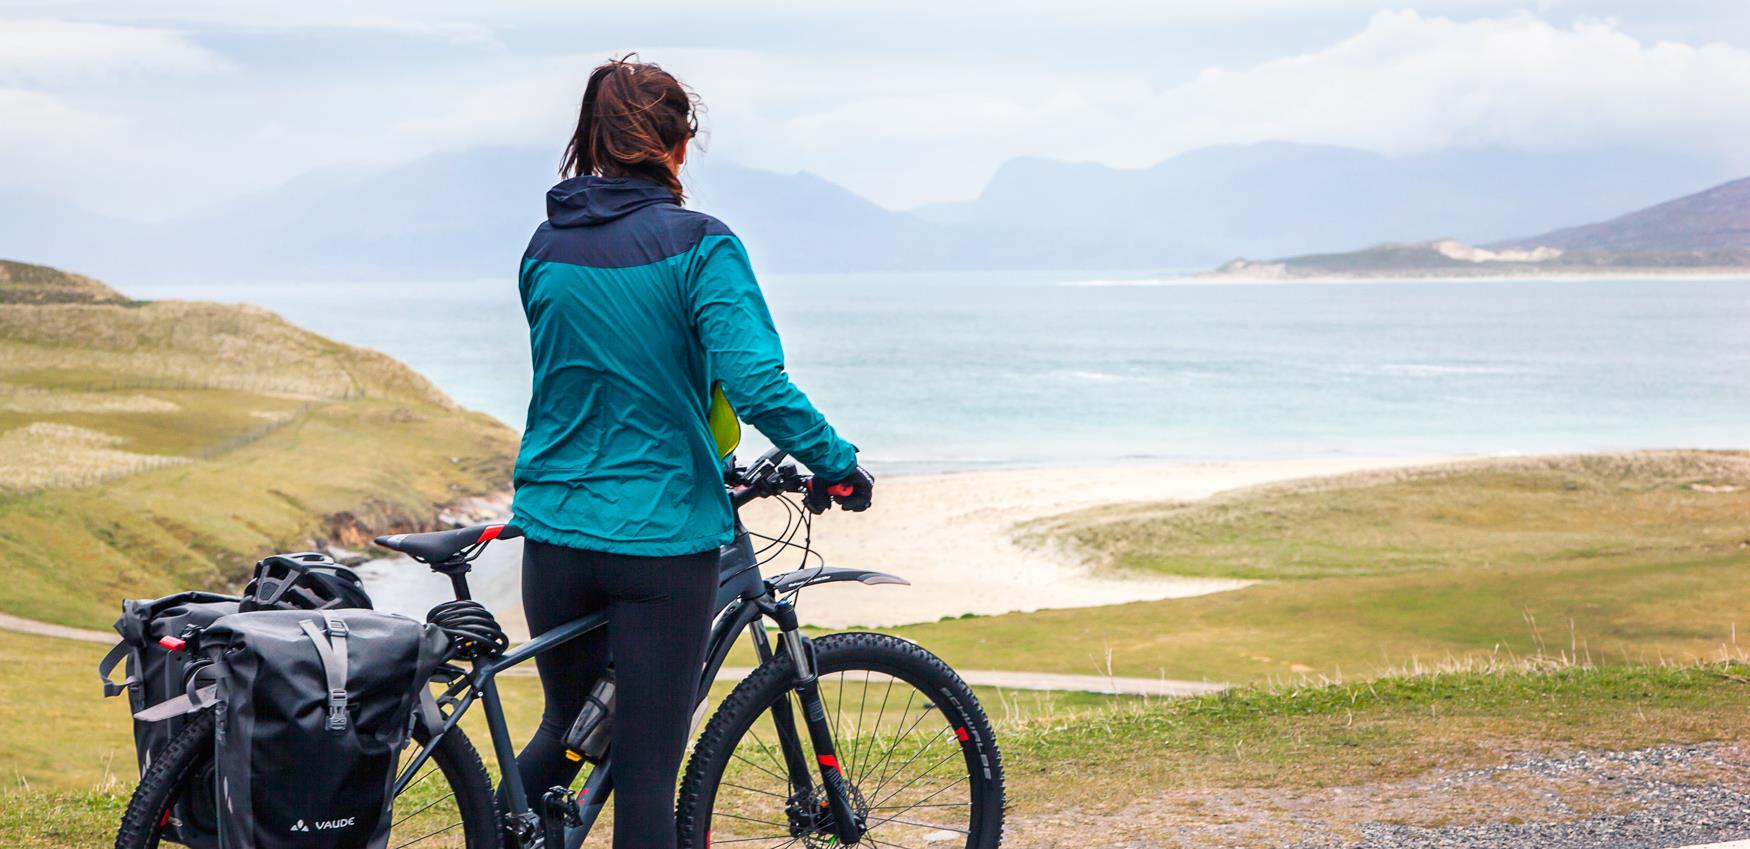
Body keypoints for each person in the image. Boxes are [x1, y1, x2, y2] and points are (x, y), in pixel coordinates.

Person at [508, 55, 875, 849]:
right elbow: (757, 384)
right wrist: (838, 462)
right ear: (678, 147)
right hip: (659, 541)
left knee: (566, 738)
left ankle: (485, 828)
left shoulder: (545, 246)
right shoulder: (702, 245)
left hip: (553, 535)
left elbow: (597, 380)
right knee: (644, 777)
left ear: (595, 144)